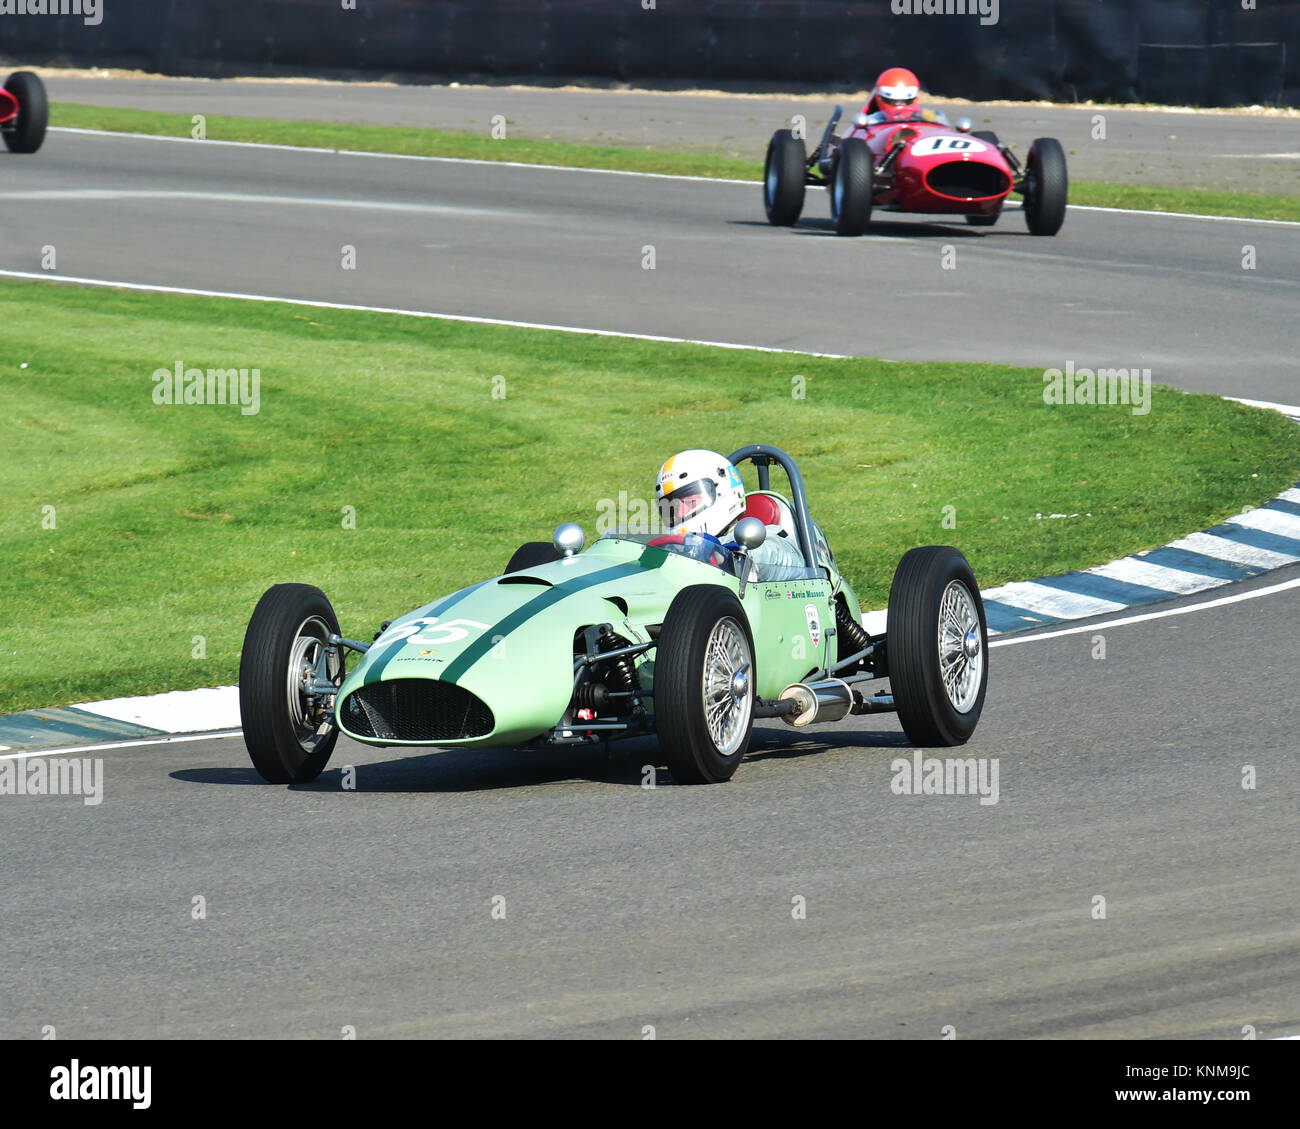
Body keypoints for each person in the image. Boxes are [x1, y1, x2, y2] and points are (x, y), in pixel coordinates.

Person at [654, 449, 810, 582]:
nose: (680, 512)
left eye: (690, 502)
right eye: (672, 507)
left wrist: (728, 557)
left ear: (722, 491)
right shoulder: (677, 548)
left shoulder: (762, 534)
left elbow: (780, 559)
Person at [863, 66, 949, 125]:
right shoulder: (871, 121)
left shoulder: (928, 117)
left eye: (905, 101)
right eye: (893, 101)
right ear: (879, 97)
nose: (899, 106)